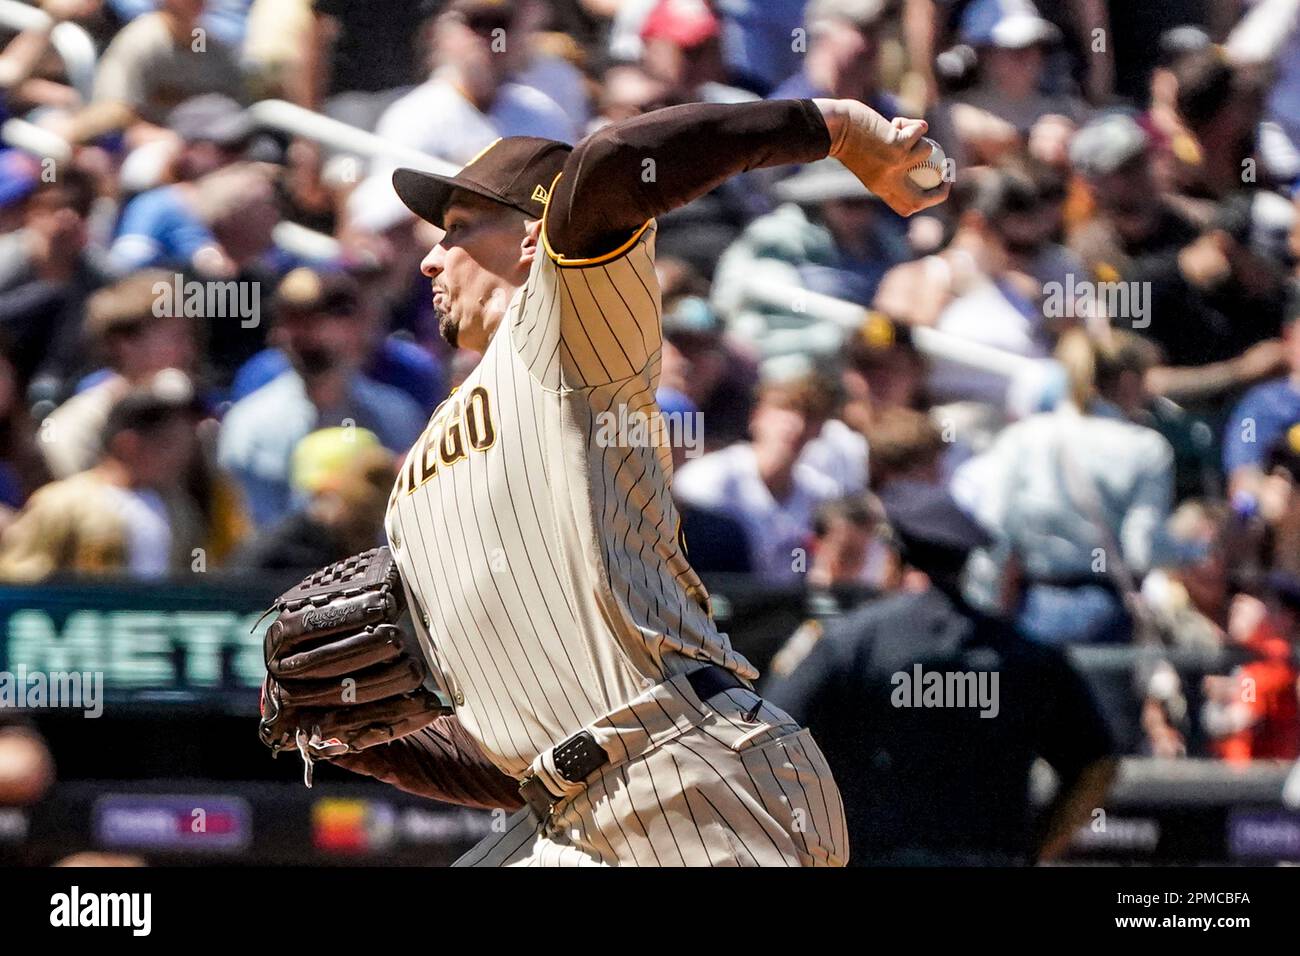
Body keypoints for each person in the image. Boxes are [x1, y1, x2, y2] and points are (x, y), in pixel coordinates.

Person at [324, 94, 947, 867]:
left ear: (532, 238)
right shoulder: (419, 468)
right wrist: (371, 737)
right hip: (566, 812)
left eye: (455, 231)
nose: (429, 257)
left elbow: (613, 165)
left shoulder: (558, 330)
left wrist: (840, 129)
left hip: (690, 777)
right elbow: (521, 752)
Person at [763, 481, 1117, 865]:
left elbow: (769, 738)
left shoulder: (849, 642)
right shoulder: (1027, 654)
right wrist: (1035, 848)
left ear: (892, 558)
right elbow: (1097, 763)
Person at [217, 267, 424, 527]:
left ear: (355, 326)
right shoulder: (250, 424)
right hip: (288, 565)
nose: (305, 334)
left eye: (318, 317)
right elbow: (251, 534)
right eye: (291, 318)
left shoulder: (396, 415)